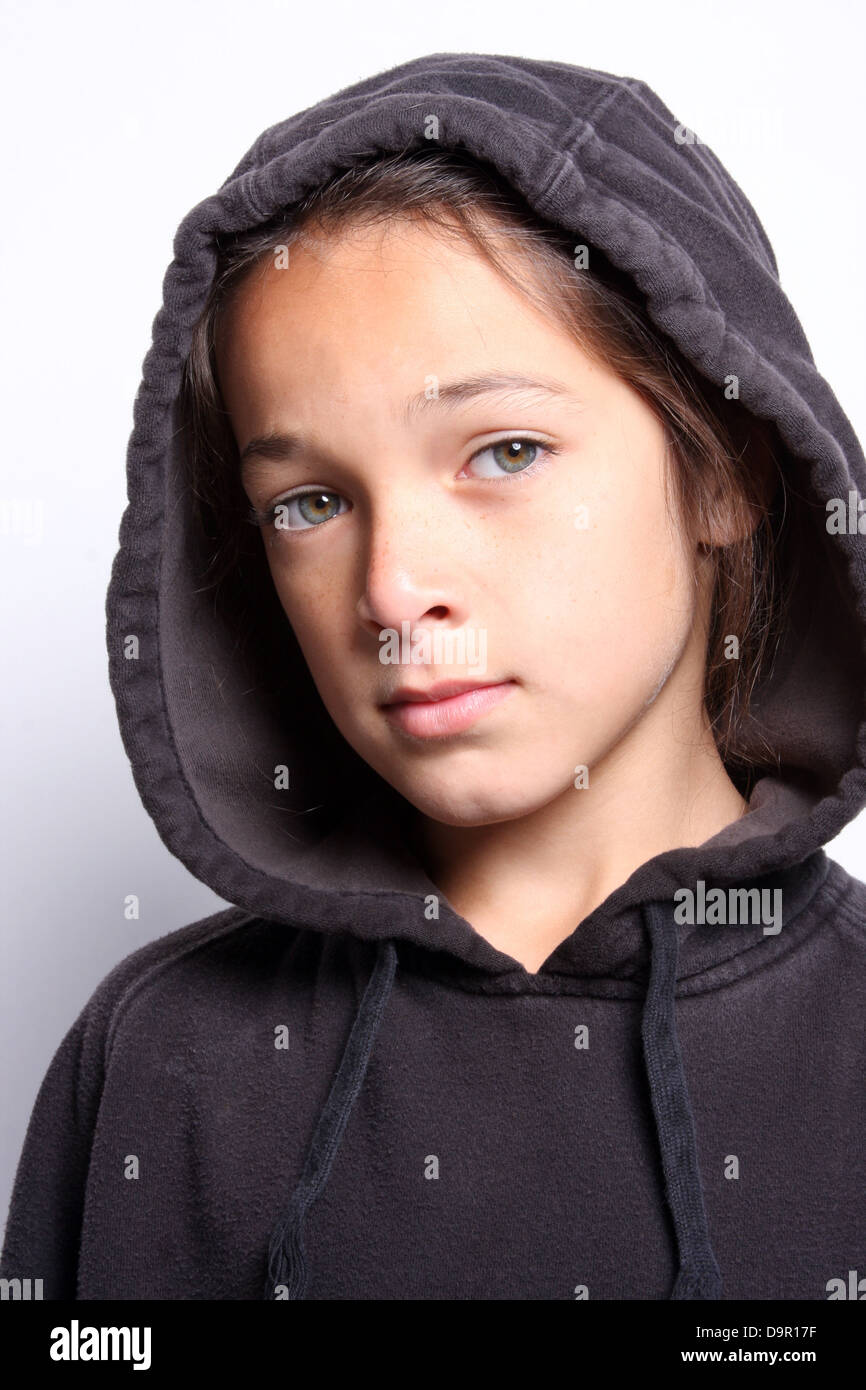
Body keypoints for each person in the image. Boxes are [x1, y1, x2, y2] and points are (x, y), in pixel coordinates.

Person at [2, 51, 865, 1302]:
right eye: (307, 501)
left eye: (502, 450)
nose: (394, 589)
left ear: (723, 468)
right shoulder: (156, 1063)